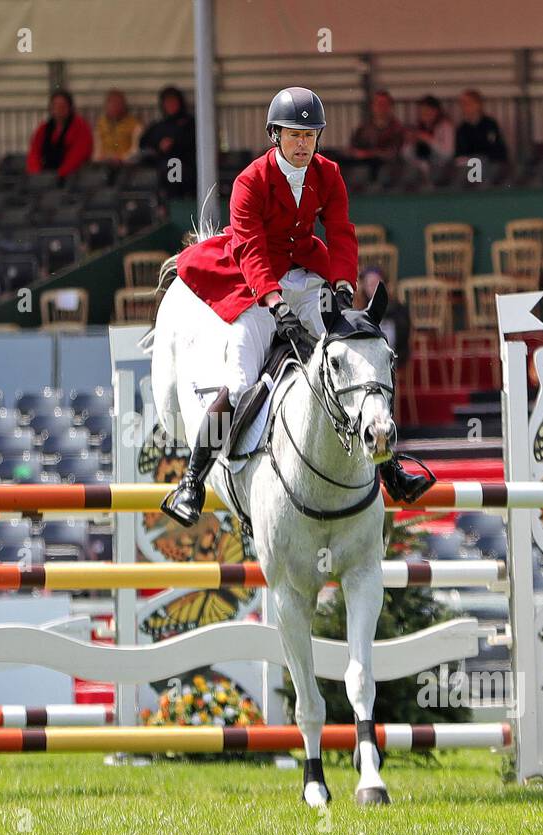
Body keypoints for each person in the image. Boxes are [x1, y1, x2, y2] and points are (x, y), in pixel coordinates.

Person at [162, 87, 430, 526]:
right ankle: (192, 483)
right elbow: (250, 250)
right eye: (294, 134)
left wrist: (342, 286)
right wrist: (274, 303)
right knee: (240, 382)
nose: (303, 143)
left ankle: (389, 469)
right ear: (275, 135)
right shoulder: (250, 181)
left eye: (310, 135)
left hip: (306, 277)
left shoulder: (329, 174)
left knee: (352, 359)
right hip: (254, 284)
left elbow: (342, 232)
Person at [139, 86, 197, 198]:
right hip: (160, 167)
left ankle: (174, 204)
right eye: (167, 102)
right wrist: (158, 147)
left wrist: (175, 144)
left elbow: (193, 144)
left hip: (186, 168)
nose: (170, 105)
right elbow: (143, 144)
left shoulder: (190, 124)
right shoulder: (159, 126)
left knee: (172, 168)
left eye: (173, 101)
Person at [26, 90, 93, 179]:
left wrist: (59, 174)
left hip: (70, 177)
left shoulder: (81, 127)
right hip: (45, 175)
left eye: (62, 106)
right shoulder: (44, 128)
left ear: (70, 108)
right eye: (55, 105)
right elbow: (34, 152)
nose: (59, 109)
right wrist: (36, 174)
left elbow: (78, 156)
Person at [454, 89, 508, 163]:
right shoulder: (462, 129)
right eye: (462, 104)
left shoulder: (490, 125)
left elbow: (497, 151)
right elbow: (459, 154)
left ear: (478, 104)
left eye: (467, 103)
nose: (464, 107)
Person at [349, 90, 404, 162]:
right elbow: (352, 148)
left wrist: (369, 154)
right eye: (377, 103)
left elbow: (394, 152)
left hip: (388, 167)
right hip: (363, 166)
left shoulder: (396, 129)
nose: (380, 107)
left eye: (384, 104)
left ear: (390, 106)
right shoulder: (363, 127)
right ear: (372, 106)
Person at [403, 95, 454, 169]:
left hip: (441, 166)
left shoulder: (445, 127)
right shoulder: (417, 127)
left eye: (428, 110)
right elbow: (406, 155)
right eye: (422, 111)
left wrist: (428, 139)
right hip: (420, 167)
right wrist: (411, 143)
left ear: (436, 111)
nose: (425, 113)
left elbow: (448, 154)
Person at [94, 90, 141, 165]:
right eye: (111, 103)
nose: (114, 106)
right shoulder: (100, 124)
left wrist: (122, 158)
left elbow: (136, 149)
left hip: (127, 164)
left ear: (124, 106)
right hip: (103, 164)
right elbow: (96, 147)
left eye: (118, 103)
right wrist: (100, 158)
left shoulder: (135, 125)